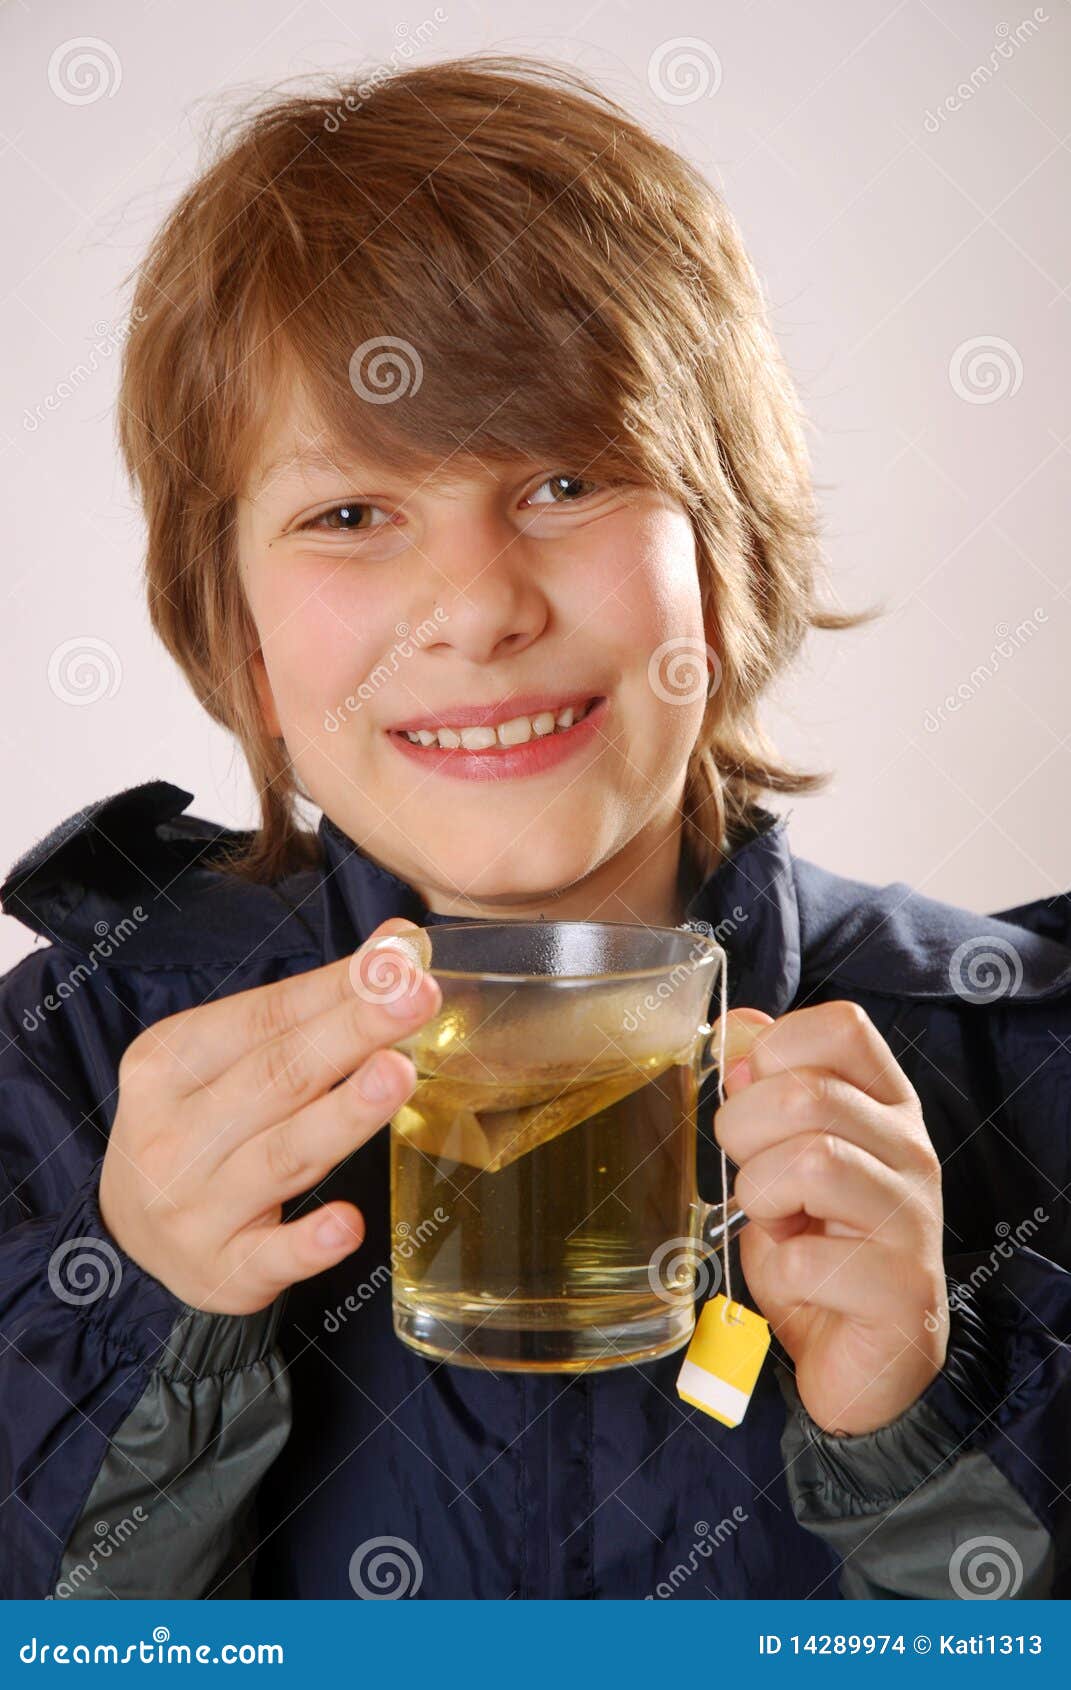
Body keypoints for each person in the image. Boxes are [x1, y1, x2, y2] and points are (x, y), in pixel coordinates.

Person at [1, 55, 1067, 1602]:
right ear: (237, 635)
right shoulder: (67, 1082)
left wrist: (931, 1428)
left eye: (567, 479)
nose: (484, 608)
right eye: (352, 514)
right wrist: (137, 1329)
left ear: (729, 554)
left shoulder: (1019, 1064)